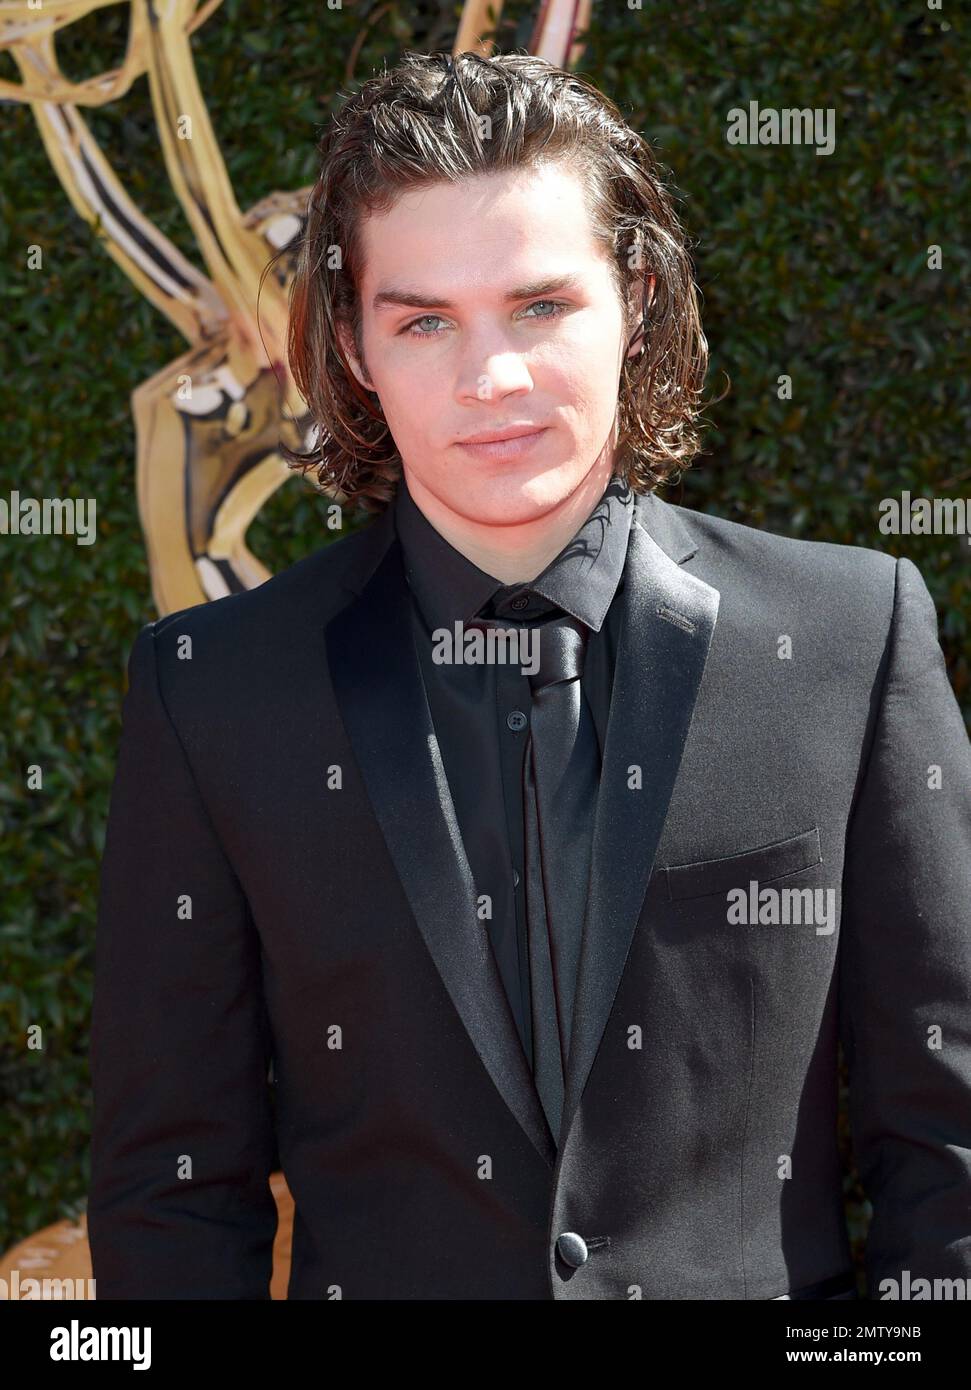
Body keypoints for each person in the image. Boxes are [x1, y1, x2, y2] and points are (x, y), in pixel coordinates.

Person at [87, 50, 971, 1301]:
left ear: (636, 299)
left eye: (540, 307)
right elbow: (172, 1190)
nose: (488, 378)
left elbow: (948, 1151)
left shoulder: (847, 636)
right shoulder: (212, 692)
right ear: (350, 345)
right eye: (425, 320)